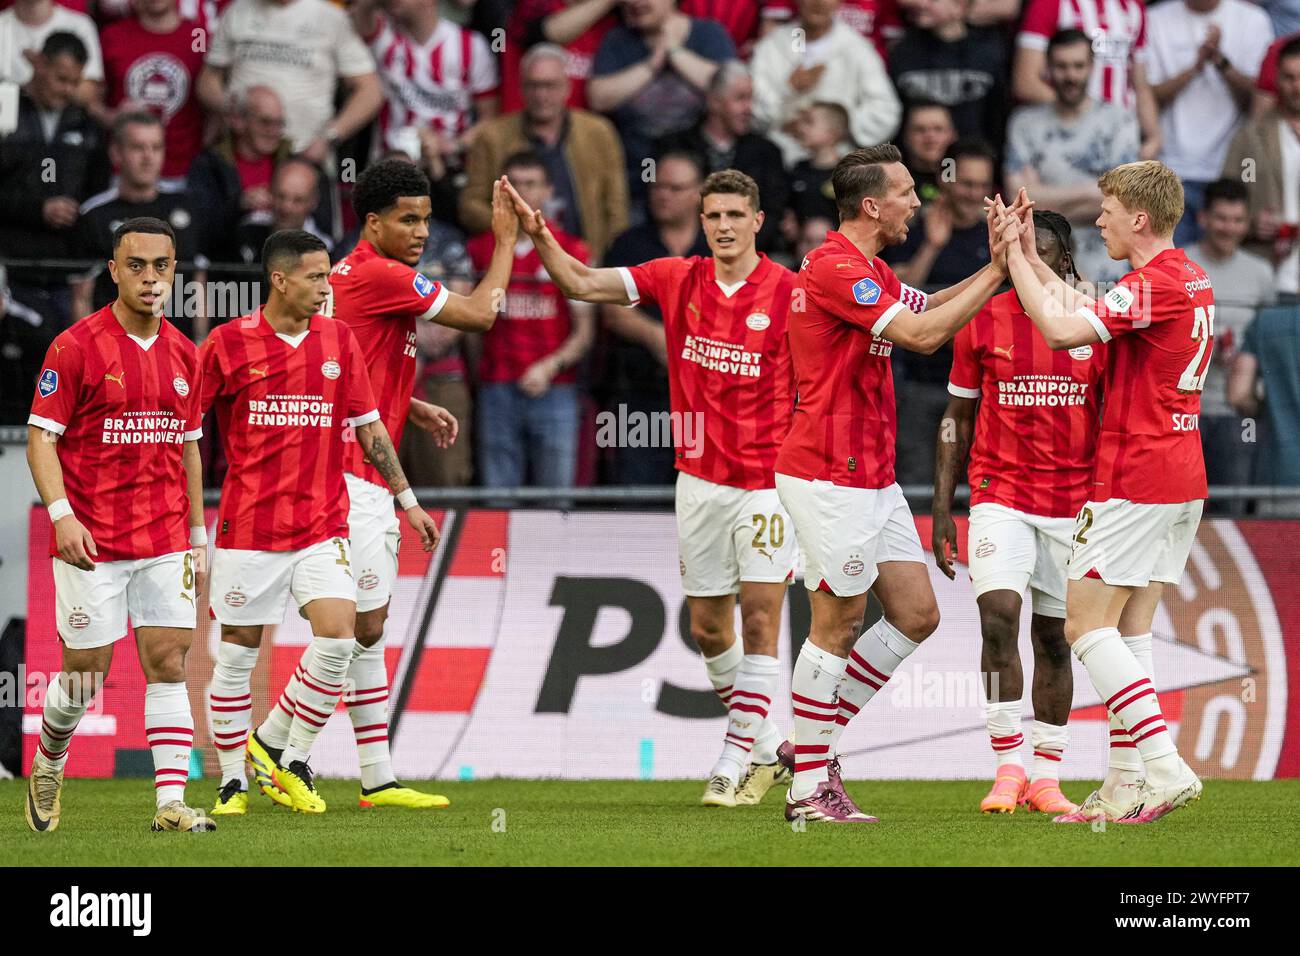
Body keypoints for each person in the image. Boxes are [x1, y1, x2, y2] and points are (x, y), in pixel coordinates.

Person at [506, 167, 799, 807]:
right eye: (712, 216)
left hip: (767, 484)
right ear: (703, 223)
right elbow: (582, 282)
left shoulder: (790, 293)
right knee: (708, 628)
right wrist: (541, 232)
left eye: (734, 215)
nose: (723, 226)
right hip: (698, 479)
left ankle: (730, 763)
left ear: (758, 222)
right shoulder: (677, 277)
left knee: (759, 618)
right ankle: (774, 746)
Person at [239, 161, 518, 811]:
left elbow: (336, 360)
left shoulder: (342, 279)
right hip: (350, 475)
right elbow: (480, 314)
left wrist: (407, 401)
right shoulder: (383, 274)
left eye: (426, 217)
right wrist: (506, 240)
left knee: (370, 625)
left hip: (346, 465)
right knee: (355, 626)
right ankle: (280, 744)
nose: (421, 231)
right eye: (408, 219)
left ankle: (377, 776)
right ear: (373, 223)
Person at [773, 144, 1011, 823]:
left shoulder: (870, 269)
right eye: (909, 191)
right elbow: (921, 334)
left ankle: (810, 746)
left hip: (869, 475)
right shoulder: (834, 269)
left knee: (915, 613)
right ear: (872, 204)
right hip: (826, 471)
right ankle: (807, 791)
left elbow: (927, 302)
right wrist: (996, 269)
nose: (921, 201)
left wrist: (998, 268)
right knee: (837, 622)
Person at [996, 162, 1210, 823]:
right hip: (1180, 475)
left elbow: (1061, 331)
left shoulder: (1154, 283)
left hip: (1136, 476)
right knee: (1130, 630)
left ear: (1139, 219)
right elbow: (1083, 311)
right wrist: (1027, 256)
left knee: (1083, 624)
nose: (1099, 220)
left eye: (1109, 210)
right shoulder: (1185, 278)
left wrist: (1012, 265)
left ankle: (1166, 766)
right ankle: (1124, 786)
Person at [200, 229, 442, 816]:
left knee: (338, 636)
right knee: (236, 652)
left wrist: (407, 500)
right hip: (249, 524)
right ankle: (232, 783)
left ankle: (287, 758)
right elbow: (185, 426)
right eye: (314, 276)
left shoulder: (338, 340)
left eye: (329, 274)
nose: (325, 286)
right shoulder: (227, 343)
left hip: (320, 522)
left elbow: (370, 425)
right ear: (279, 280)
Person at [24, 216, 213, 834]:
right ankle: (51, 757)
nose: (151, 278)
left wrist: (197, 533)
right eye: (137, 265)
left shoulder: (186, 353)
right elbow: (40, 441)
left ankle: (170, 803)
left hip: (164, 537)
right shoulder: (75, 346)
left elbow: (188, 447)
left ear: (174, 271)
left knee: (168, 660)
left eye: (162, 266)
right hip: (92, 542)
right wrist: (63, 518)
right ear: (113, 270)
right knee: (85, 673)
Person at [932, 210, 1105, 816]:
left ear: (1064, 261)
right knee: (998, 621)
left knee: (1055, 638)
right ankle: (1008, 767)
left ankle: (1048, 775)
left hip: (1073, 503)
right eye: (1016, 254)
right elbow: (955, 418)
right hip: (999, 495)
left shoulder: (1091, 324)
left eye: (1040, 254)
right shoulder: (980, 320)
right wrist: (942, 508)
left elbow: (1112, 422)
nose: (1026, 264)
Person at [472, 153, 594, 493]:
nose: (523, 193)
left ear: (548, 191)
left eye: (531, 184)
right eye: (515, 185)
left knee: (555, 502)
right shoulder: (481, 250)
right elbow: (470, 327)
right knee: (497, 500)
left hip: (555, 388)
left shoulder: (571, 251)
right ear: (502, 192)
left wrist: (550, 367)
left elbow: (585, 331)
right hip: (496, 386)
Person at [600, 150, 709, 485]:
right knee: (637, 493)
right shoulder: (630, 244)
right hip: (640, 393)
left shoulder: (720, 245)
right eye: (657, 186)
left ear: (699, 193)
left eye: (675, 188)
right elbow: (611, 310)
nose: (663, 195)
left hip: (707, 398)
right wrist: (656, 336)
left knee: (701, 494)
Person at [461, 42, 628, 261]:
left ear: (567, 88)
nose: (541, 95)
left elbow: (616, 207)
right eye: (533, 86)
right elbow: (469, 206)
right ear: (521, 88)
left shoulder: (598, 133)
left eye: (550, 86)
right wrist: (517, 222)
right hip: (517, 263)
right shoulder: (492, 138)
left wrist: (606, 258)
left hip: (586, 260)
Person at [1005, 28, 1140, 285]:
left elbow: (1125, 202)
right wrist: (1093, 191)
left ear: (1091, 67)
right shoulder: (1024, 123)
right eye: (1061, 66)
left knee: (1104, 325)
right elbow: (1019, 201)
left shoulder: (1119, 121)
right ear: (1047, 68)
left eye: (1078, 66)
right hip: (1042, 260)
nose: (1070, 76)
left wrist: (1043, 199)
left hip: (1107, 259)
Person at [0, 31, 106, 330]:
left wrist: (78, 213)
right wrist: (37, 209)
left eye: (75, 82)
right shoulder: (5, 111)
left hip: (66, 274)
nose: (68, 90)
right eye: (61, 79)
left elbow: (97, 191)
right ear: (40, 65)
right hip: (11, 268)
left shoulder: (87, 125)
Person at [1145, 0, 1272, 247]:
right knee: (1172, 276)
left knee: (1224, 275)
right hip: (1171, 172)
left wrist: (1222, 64)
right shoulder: (1155, 18)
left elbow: (1260, 98)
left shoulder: (1253, 19)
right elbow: (1149, 95)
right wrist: (1196, 66)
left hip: (1232, 172)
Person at [587, 0, 736, 210]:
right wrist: (652, 64)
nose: (635, 3)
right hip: (640, 168)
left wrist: (675, 52)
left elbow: (728, 86)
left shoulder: (707, 33)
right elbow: (598, 98)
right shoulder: (618, 40)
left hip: (702, 166)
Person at [70, 112, 204, 337]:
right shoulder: (94, 215)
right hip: (116, 354)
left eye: (156, 147)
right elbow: (80, 297)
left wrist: (199, 344)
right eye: (138, 148)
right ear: (116, 153)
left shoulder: (188, 208)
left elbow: (198, 283)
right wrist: (90, 355)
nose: (148, 157)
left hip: (178, 353)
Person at [198, 0, 381, 161]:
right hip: (241, 154)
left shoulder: (331, 17)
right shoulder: (237, 10)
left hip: (303, 155)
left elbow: (370, 91)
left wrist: (330, 137)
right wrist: (230, 105)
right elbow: (207, 80)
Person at [1187, 179, 1276, 494]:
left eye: (1238, 220)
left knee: (1235, 513)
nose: (1229, 227)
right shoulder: (1179, 264)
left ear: (1247, 222)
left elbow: (1268, 342)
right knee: (1180, 512)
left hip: (1237, 415)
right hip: (1184, 414)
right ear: (1203, 218)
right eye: (1221, 218)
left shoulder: (1261, 273)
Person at [657, 60, 788, 253]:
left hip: (750, 257)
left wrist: (735, 250)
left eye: (751, 99)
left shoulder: (767, 152)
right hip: (685, 256)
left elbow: (773, 213)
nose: (748, 108)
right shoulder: (674, 146)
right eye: (740, 99)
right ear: (714, 101)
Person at [750, 0, 900, 167]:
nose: (819, 3)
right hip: (780, 161)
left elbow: (885, 111)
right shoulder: (774, 45)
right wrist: (788, 89)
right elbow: (751, 111)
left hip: (839, 166)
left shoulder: (856, 47)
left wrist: (837, 126)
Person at [348, 0, 499, 161]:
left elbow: (488, 118)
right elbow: (360, 11)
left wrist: (453, 146)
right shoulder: (384, 35)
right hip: (390, 161)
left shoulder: (471, 44)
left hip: (451, 165)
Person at [1012, 0, 1162, 162]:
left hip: (1119, 139)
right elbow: (1025, 82)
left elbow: (1140, 85)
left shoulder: (1134, 7)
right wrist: (1084, 117)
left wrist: (1153, 137)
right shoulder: (1050, 3)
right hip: (1065, 137)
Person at [94, 0, 205, 184]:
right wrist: (113, 117)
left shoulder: (197, 36)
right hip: (124, 172)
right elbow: (91, 102)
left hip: (185, 172)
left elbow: (212, 104)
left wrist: (202, 147)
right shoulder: (113, 35)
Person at [1223, 36, 1300, 299]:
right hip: (1266, 267)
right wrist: (1252, 222)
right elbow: (1232, 192)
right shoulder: (1252, 138)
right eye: (1289, 77)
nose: (1297, 86)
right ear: (1277, 79)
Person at [186, 86, 294, 263]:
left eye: (279, 123)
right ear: (238, 120)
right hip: (226, 273)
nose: (274, 131)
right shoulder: (209, 166)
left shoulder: (293, 164)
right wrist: (238, 205)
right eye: (266, 122)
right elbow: (198, 230)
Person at [889, 0, 1008, 145]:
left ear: (959, 6)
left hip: (973, 156)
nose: (921, 4)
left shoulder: (989, 52)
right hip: (916, 160)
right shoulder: (902, 52)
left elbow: (997, 113)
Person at [1230, 303, 1300, 511]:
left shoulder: (1266, 323)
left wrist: (1269, 408)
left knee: (1279, 544)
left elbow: (1238, 395)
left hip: (1280, 474)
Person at [231, 158, 332, 263]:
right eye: (281, 196)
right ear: (270, 192)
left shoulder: (323, 251)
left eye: (297, 200)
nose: (286, 207)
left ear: (313, 202)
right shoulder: (247, 231)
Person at [899, 100, 956, 208]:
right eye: (920, 130)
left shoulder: (969, 176)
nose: (930, 137)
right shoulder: (889, 180)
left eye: (938, 129)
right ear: (906, 137)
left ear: (953, 135)